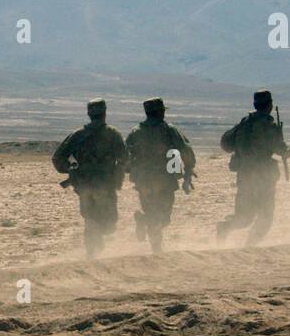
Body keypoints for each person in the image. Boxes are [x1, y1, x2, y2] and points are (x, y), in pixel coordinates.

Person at [51, 99, 128, 258]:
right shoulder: (113, 134)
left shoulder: (78, 135)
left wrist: (70, 169)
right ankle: (93, 250)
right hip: (105, 185)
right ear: (105, 113)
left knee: (90, 219)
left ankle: (92, 251)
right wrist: (119, 171)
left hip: (83, 185)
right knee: (108, 221)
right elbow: (124, 158)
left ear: (88, 114)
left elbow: (58, 158)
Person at [217, 89, 290, 246]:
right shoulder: (268, 125)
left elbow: (226, 144)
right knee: (266, 216)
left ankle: (224, 227)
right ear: (269, 105)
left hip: (245, 175)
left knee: (244, 217)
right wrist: (286, 150)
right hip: (263, 176)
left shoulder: (244, 123)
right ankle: (249, 247)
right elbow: (279, 149)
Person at [125, 97, 196, 254]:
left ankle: (156, 247)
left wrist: (129, 169)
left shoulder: (135, 131)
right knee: (163, 217)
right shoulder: (169, 129)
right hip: (164, 179)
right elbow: (185, 149)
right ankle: (148, 229)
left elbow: (125, 155)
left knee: (151, 212)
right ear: (160, 112)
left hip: (143, 180)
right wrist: (189, 168)